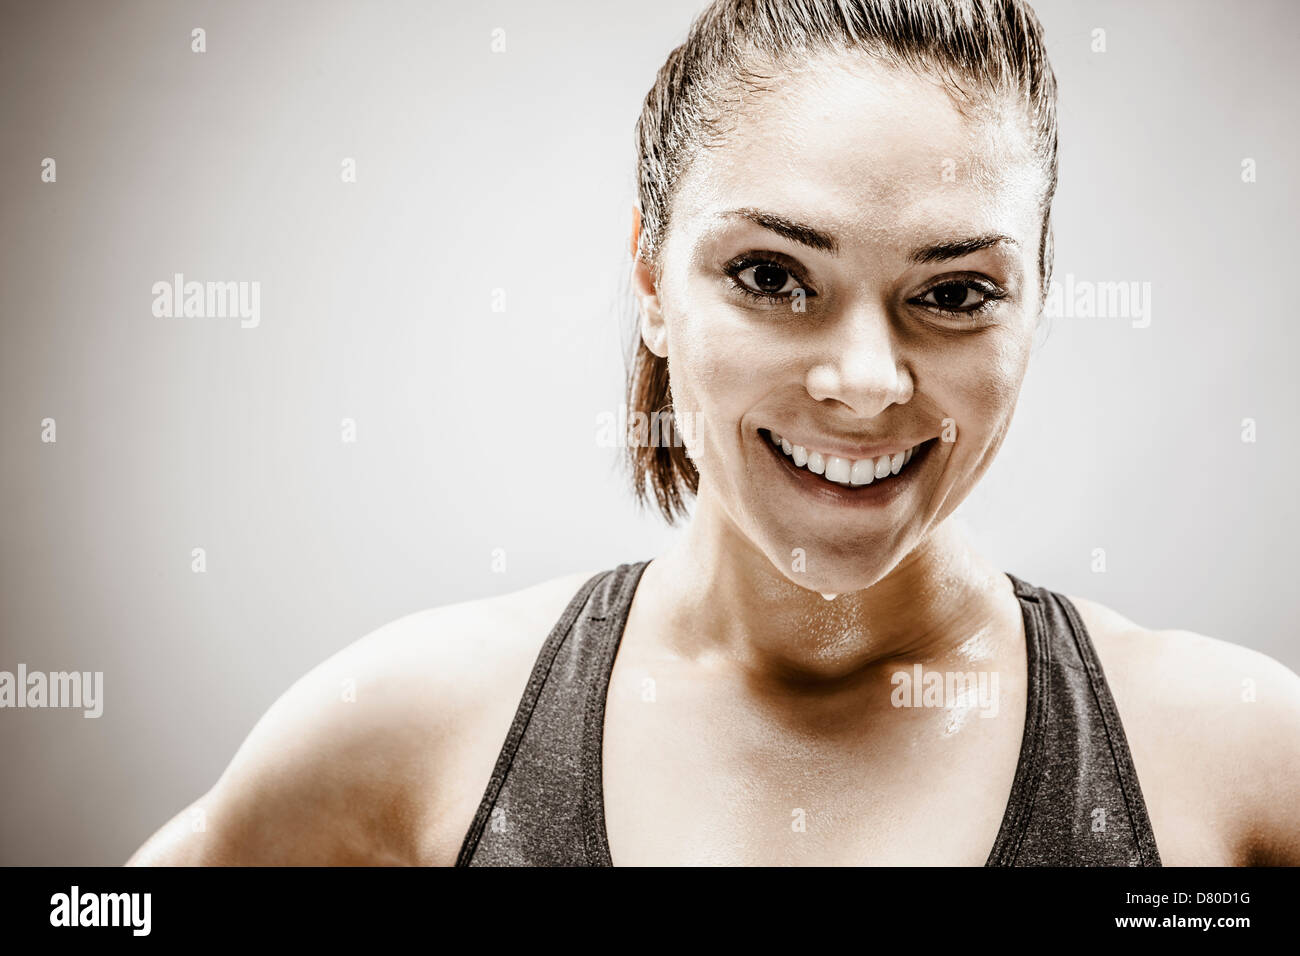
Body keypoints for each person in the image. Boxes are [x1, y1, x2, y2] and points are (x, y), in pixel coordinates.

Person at [128, 0, 1300, 867]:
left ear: (1039, 296)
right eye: (771, 274)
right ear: (648, 272)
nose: (861, 382)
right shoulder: (415, 726)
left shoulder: (1231, 758)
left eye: (951, 292)